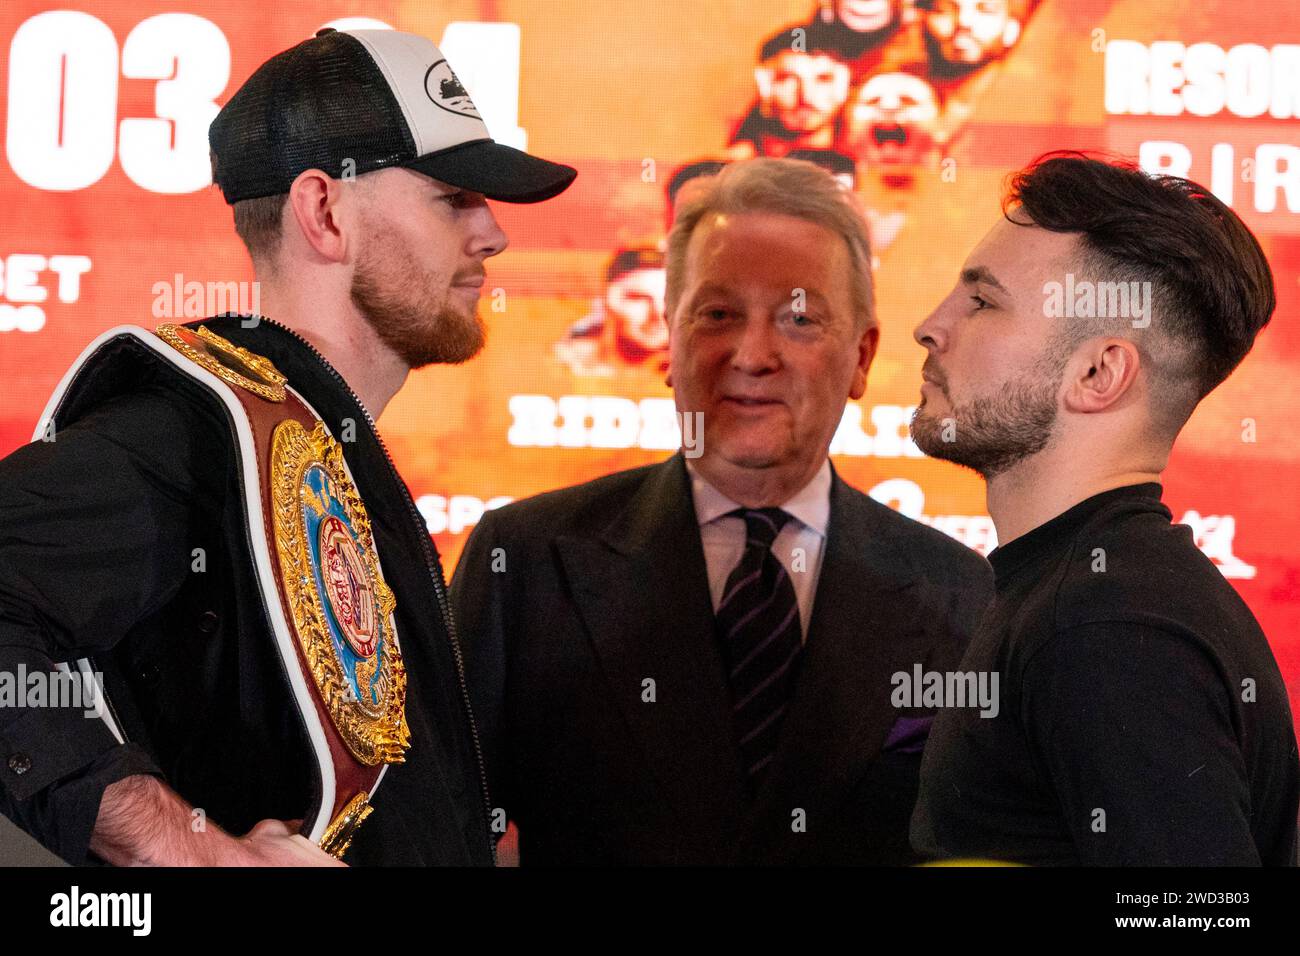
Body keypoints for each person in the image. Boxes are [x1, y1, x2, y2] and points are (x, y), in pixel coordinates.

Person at [0, 27, 575, 866]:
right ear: (325, 210)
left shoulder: (320, 439)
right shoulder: (193, 432)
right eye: (454, 196)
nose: (494, 235)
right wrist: (183, 847)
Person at [452, 158, 992, 865]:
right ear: (670, 345)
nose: (753, 354)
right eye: (718, 314)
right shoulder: (523, 563)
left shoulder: (965, 597)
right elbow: (439, 828)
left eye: (800, 318)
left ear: (861, 358)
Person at [908, 151, 1299, 865]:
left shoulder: (1105, 626)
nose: (930, 327)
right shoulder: (1089, 595)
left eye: (983, 301)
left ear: (1098, 373)